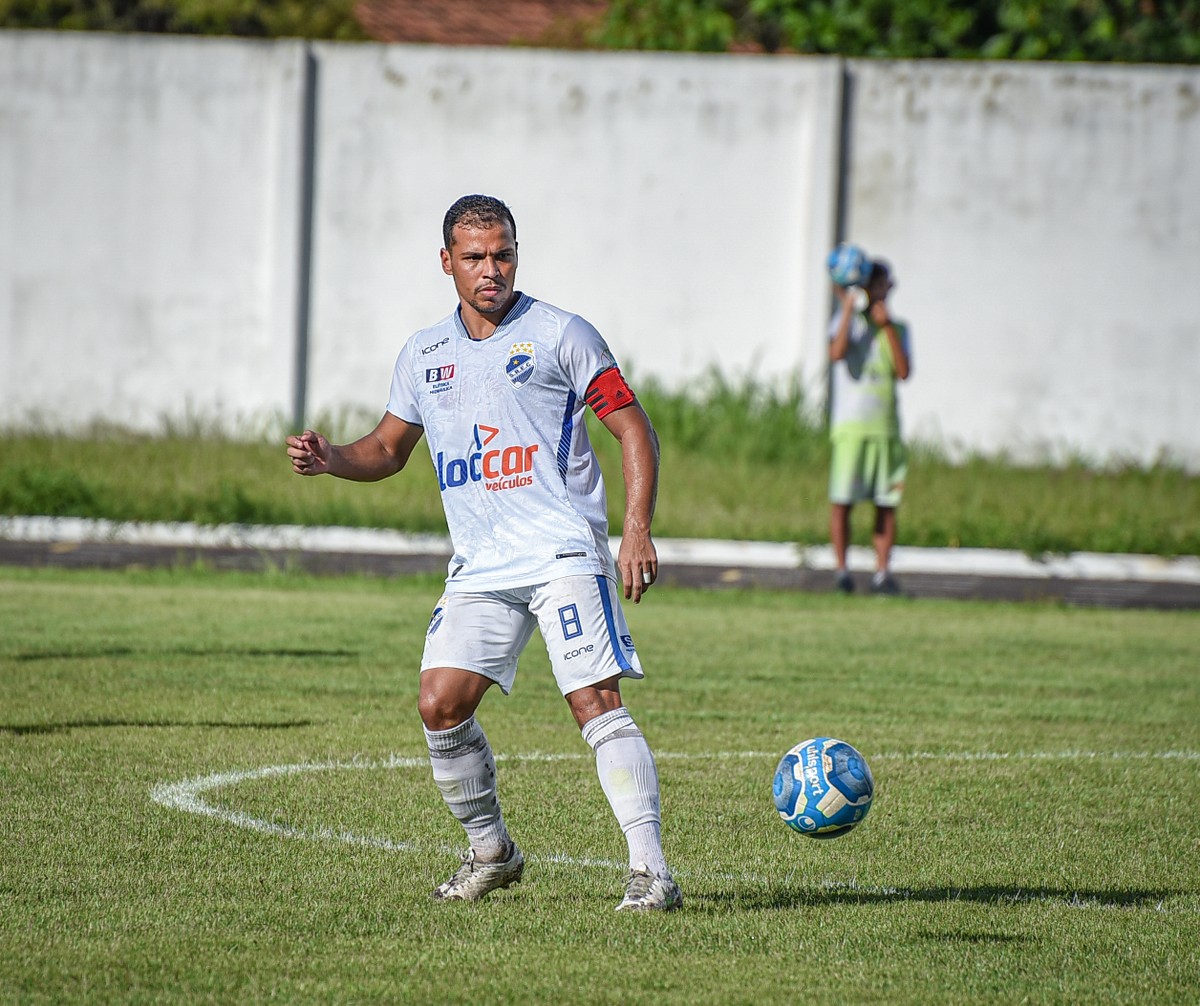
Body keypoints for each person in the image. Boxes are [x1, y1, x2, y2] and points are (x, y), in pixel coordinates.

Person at [285, 194, 681, 912]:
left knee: (593, 700)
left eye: (502, 254)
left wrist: (635, 527)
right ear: (447, 263)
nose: (490, 269)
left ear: (516, 255)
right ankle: (492, 852)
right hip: (481, 563)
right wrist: (331, 458)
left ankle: (651, 873)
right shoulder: (423, 353)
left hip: (561, 551)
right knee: (440, 704)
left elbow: (634, 430)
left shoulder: (564, 334)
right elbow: (385, 449)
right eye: (474, 257)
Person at [827, 258, 912, 595]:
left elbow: (904, 371)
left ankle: (881, 572)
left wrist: (887, 326)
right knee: (842, 501)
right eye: (877, 285)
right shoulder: (846, 322)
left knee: (886, 504)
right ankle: (842, 571)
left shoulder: (898, 328)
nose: (883, 292)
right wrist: (849, 307)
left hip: (885, 429)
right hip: (851, 428)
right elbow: (836, 352)